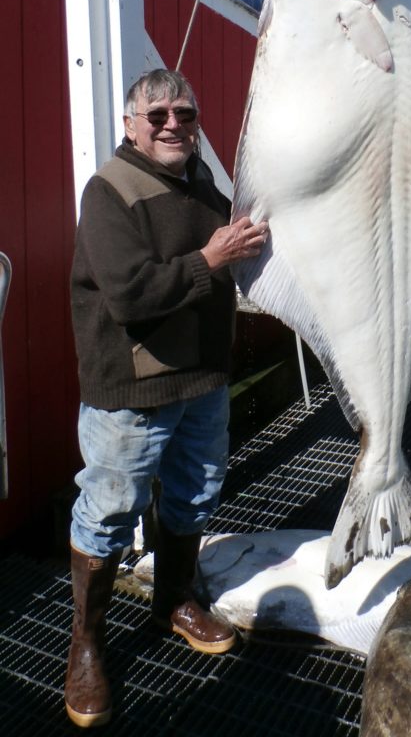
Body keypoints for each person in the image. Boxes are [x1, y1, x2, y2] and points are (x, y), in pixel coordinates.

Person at [65, 69, 268, 728]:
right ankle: (87, 644)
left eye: (186, 112)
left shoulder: (203, 184)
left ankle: (175, 599)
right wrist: (210, 258)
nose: (174, 124)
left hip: (203, 378)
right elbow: (128, 294)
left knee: (195, 493)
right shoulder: (108, 191)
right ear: (130, 125)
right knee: (110, 509)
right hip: (134, 389)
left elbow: (235, 247)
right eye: (157, 116)